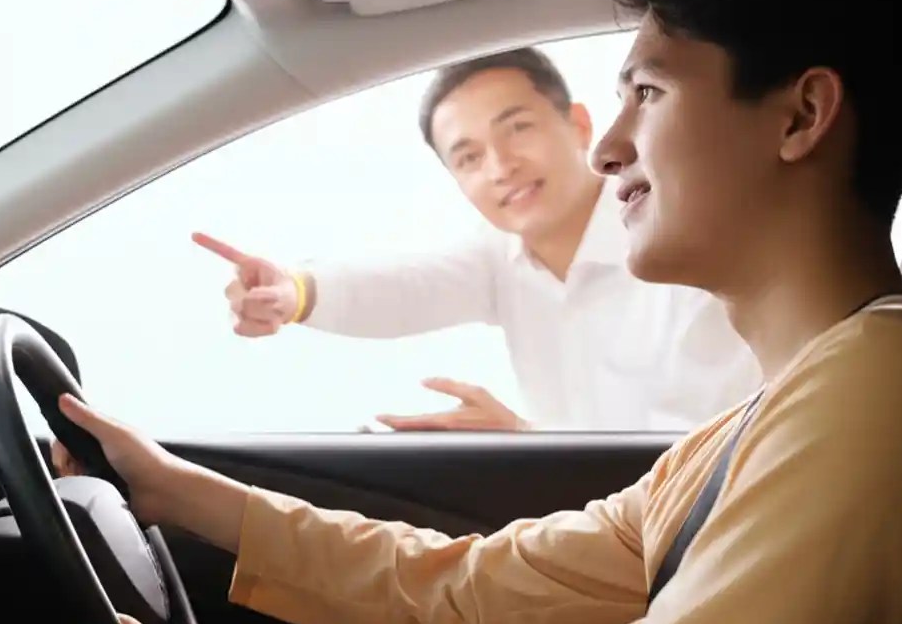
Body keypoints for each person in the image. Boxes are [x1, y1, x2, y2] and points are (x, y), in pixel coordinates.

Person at [59, 0, 902, 624]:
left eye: (652, 94)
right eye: (466, 156)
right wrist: (178, 488)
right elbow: (470, 589)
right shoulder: (764, 421)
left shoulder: (879, 394)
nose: (609, 151)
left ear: (802, 116)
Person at [193, 47, 762, 433]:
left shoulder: (682, 248)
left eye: (517, 128)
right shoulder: (502, 258)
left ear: (580, 124)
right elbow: (403, 285)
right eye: (468, 157)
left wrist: (524, 443)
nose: (500, 167)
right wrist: (291, 292)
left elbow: (700, 460)